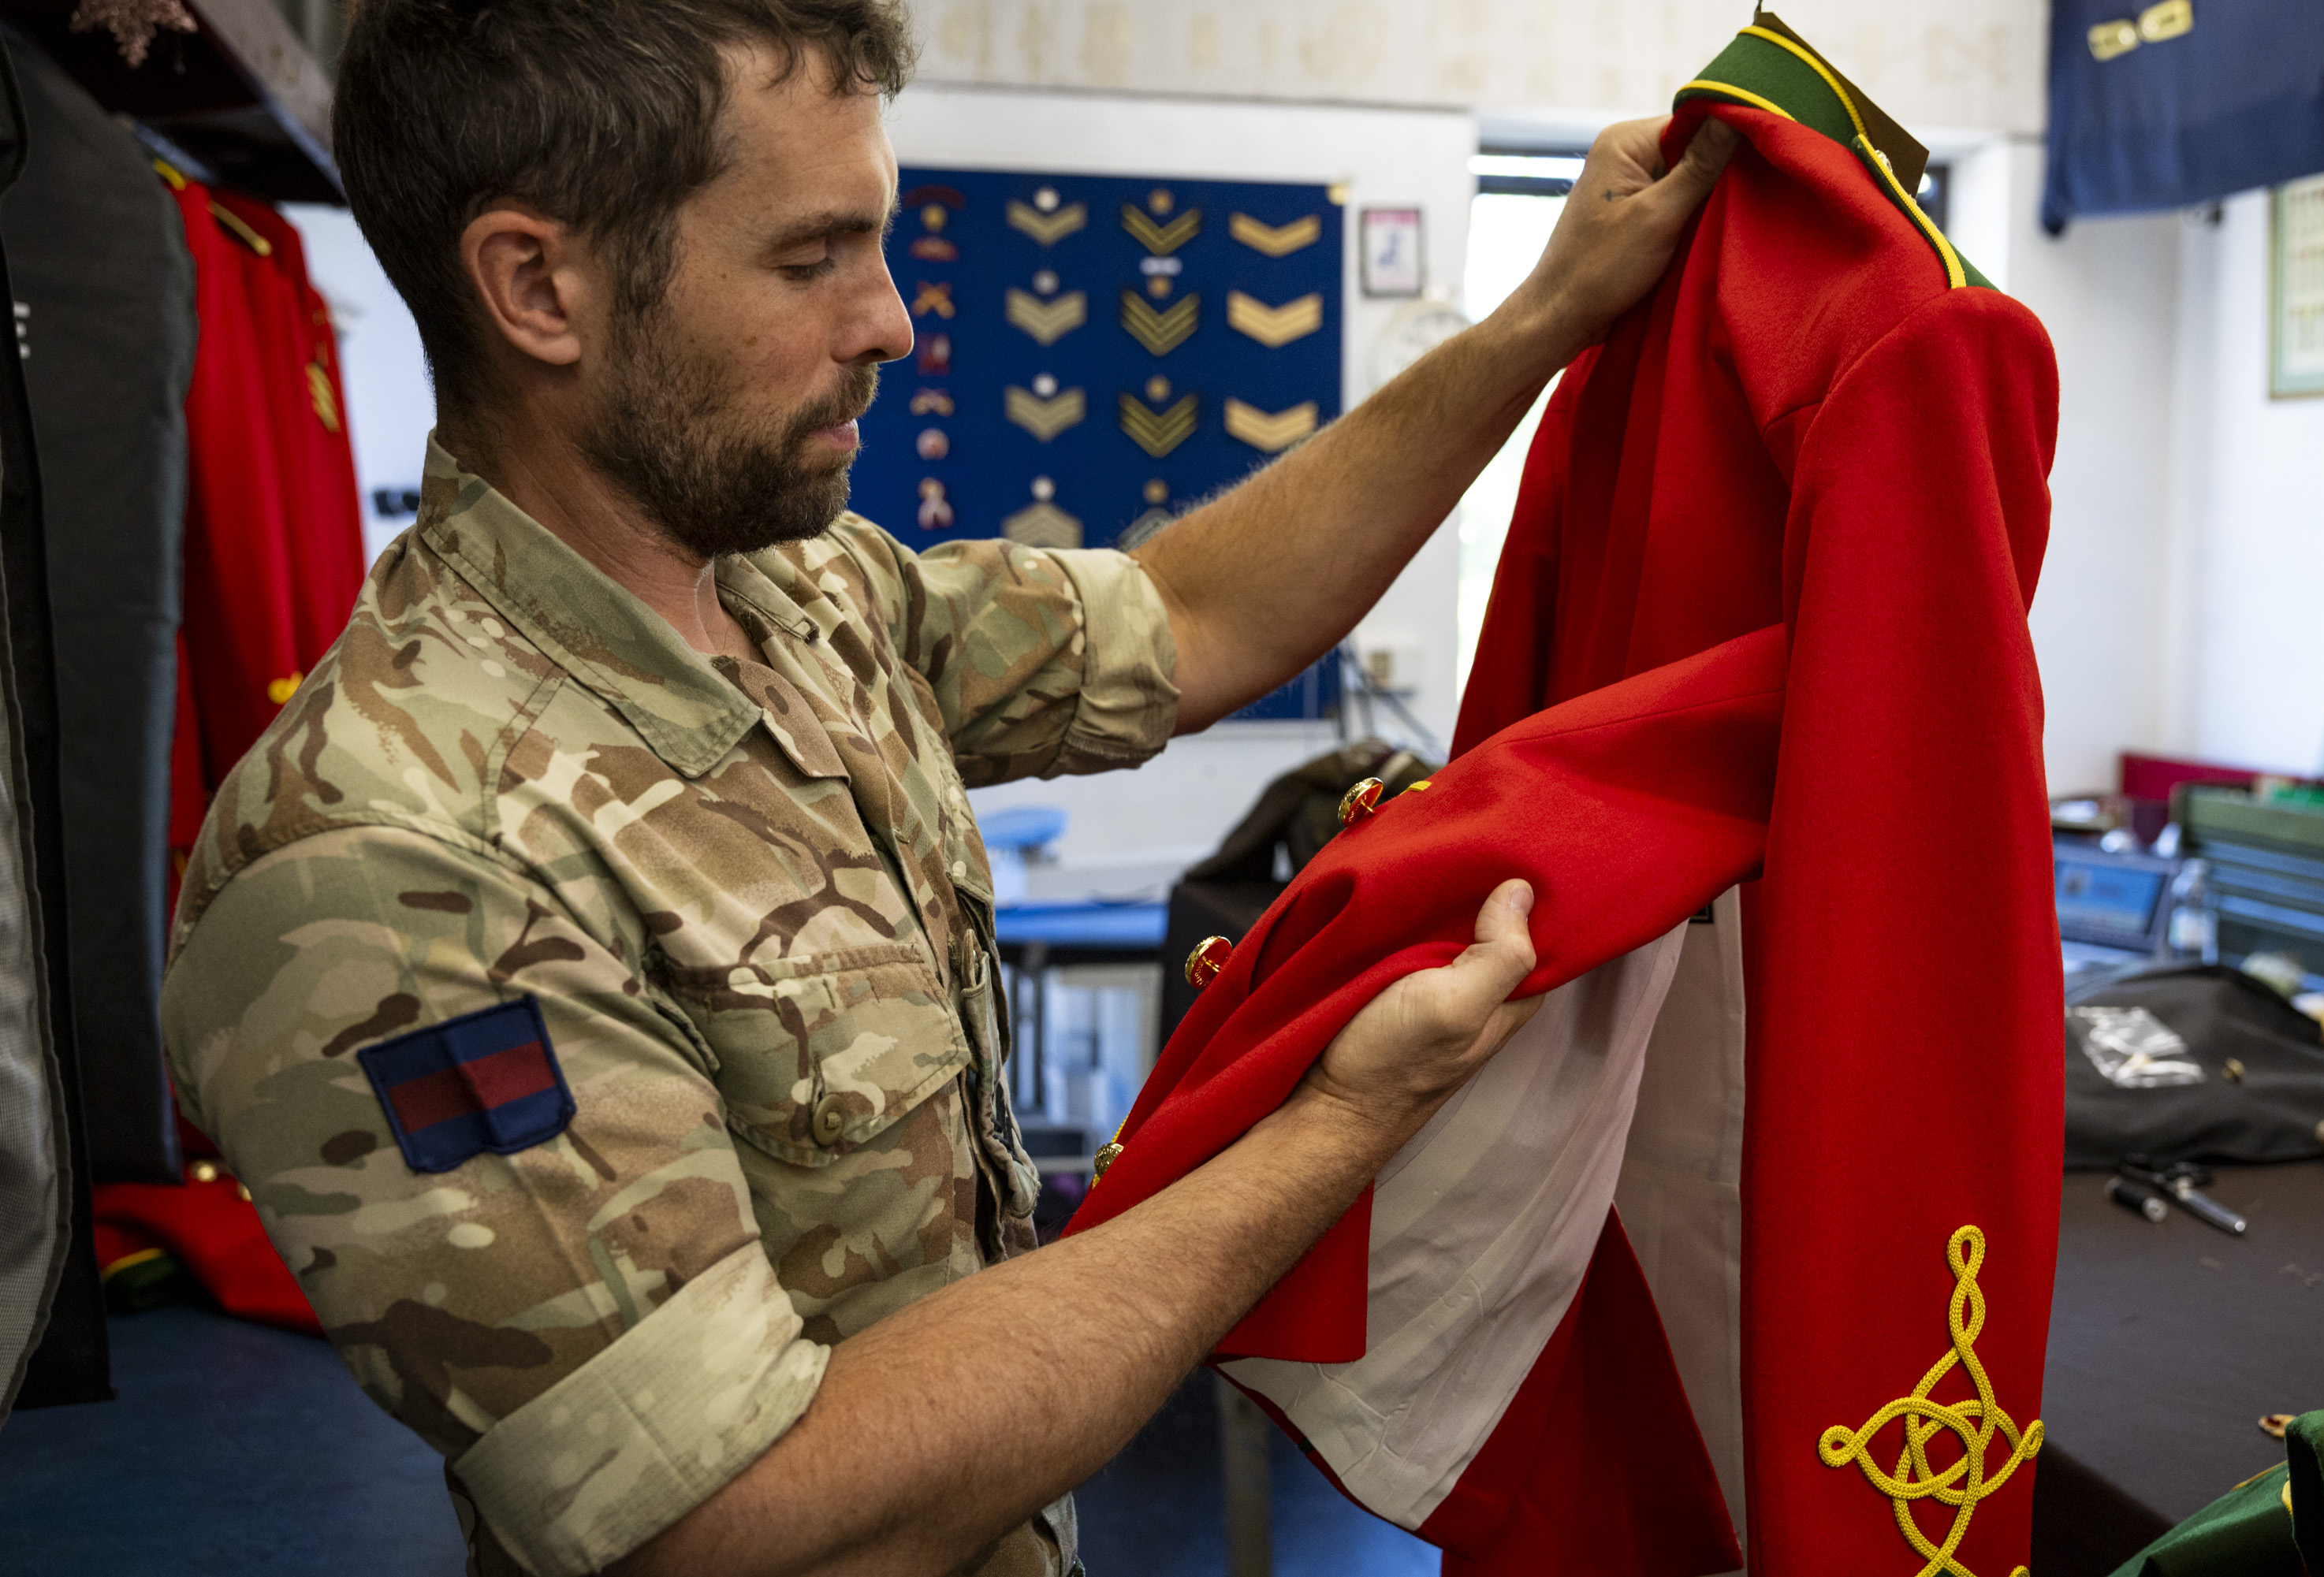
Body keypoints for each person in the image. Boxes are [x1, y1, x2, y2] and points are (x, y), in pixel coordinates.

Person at [158, 2, 1736, 1573]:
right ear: (538, 286)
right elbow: (743, 1517)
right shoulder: (385, 858)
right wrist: (1350, 1119)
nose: (893, 322)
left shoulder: (807, 596)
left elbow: (1191, 619)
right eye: (809, 259)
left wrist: (1543, 318)